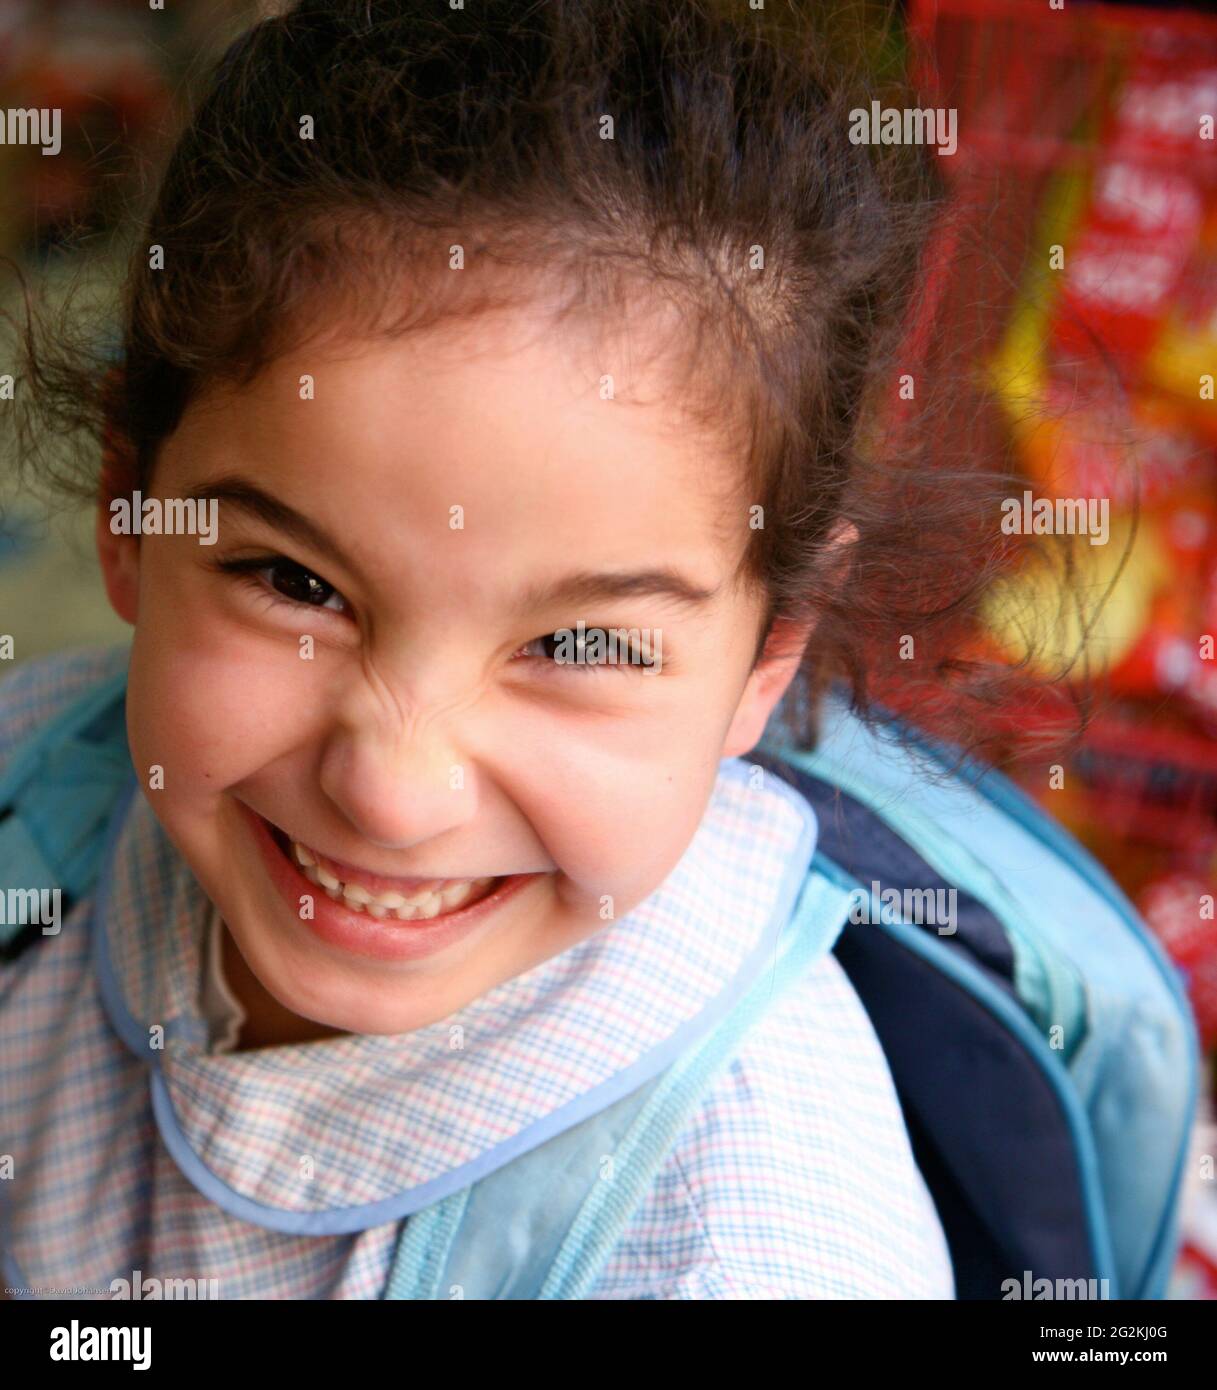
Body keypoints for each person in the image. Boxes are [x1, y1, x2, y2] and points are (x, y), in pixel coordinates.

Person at [0, 0, 1081, 1300]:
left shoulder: (750, 1243)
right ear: (130, 506)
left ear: (765, 658)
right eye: (294, 582)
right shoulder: (34, 788)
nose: (392, 793)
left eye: (576, 641)